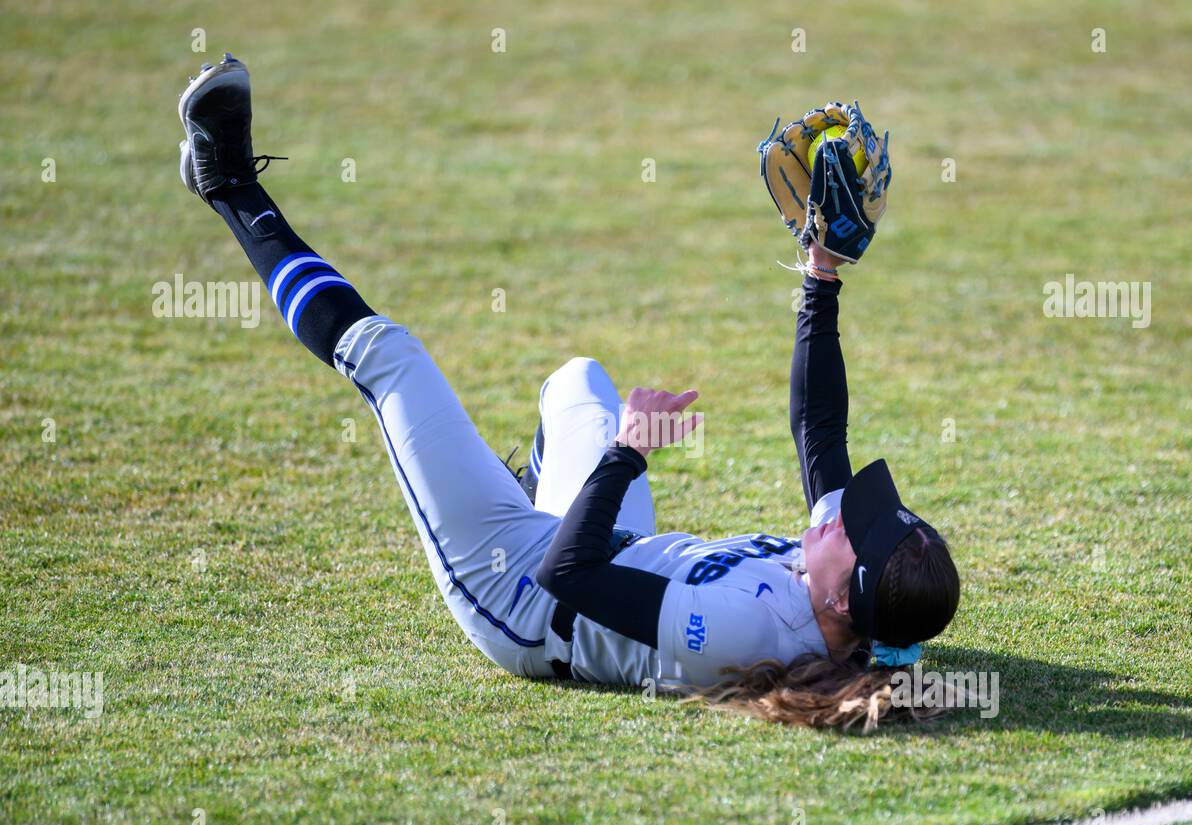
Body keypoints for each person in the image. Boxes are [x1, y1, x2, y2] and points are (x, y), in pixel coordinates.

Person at [177, 55, 960, 732]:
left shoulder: (747, 632)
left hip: (520, 591)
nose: (842, 512)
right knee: (577, 379)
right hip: (595, 540)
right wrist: (821, 271)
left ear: (842, 596)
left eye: (852, 529)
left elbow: (569, 579)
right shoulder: (846, 594)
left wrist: (627, 453)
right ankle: (519, 492)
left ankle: (228, 182)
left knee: (393, 359)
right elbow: (819, 429)